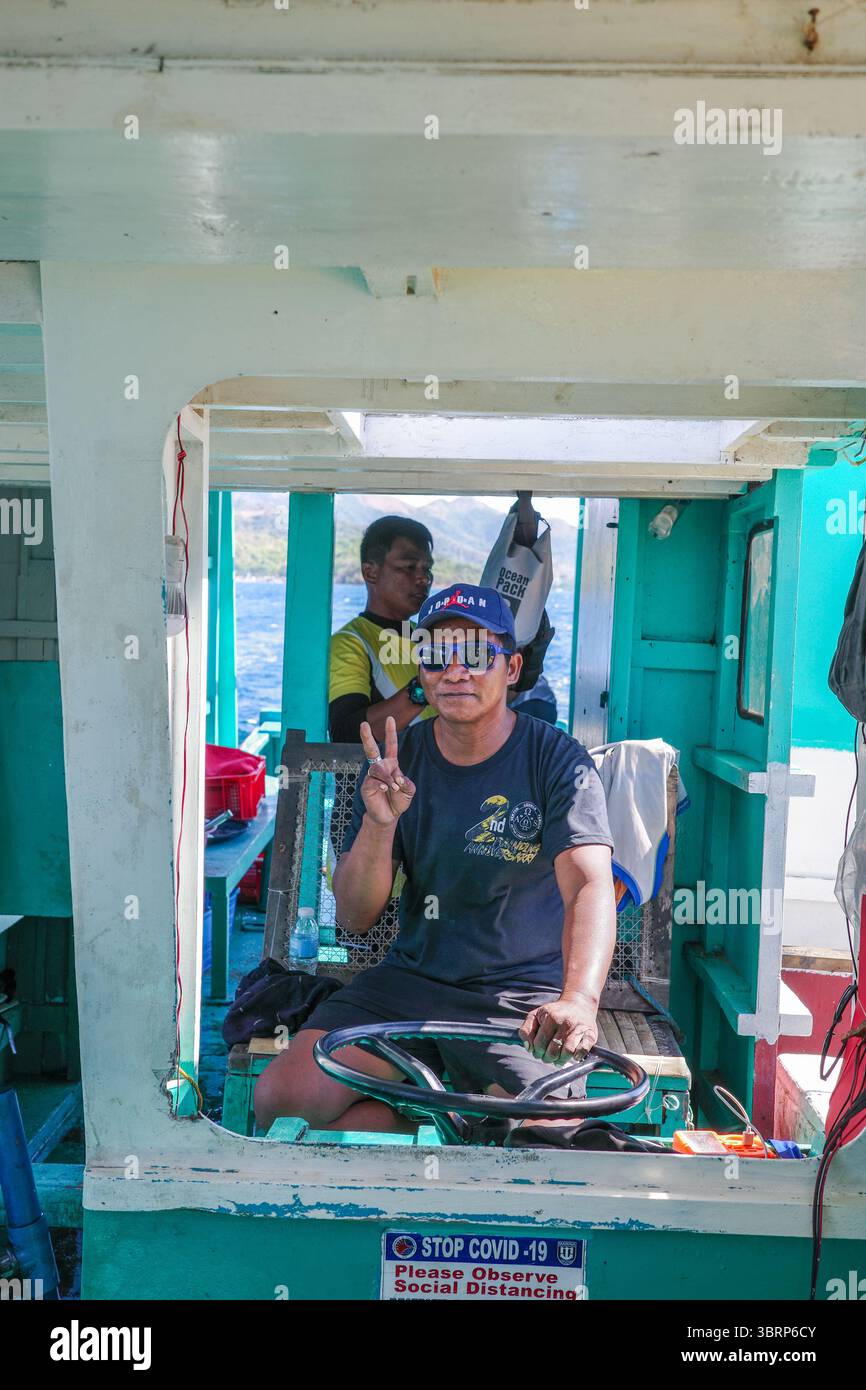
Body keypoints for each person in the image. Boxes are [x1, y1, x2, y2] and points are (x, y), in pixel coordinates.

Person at [255, 582, 617, 1141]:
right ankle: (448, 1121)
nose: (456, 672)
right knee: (280, 1102)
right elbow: (354, 917)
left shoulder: (555, 760)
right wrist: (380, 823)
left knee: (540, 1135)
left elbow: (590, 886)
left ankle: (454, 1123)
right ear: (420, 672)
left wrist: (579, 1001)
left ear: (512, 668)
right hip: (410, 982)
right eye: (435, 657)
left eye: (476, 655)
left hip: (518, 999)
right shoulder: (401, 761)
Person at [328, 515, 435, 744]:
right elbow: (346, 733)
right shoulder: (350, 643)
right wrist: (423, 689)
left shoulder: (430, 637)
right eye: (409, 567)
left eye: (427, 569)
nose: (423, 579)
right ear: (370, 573)